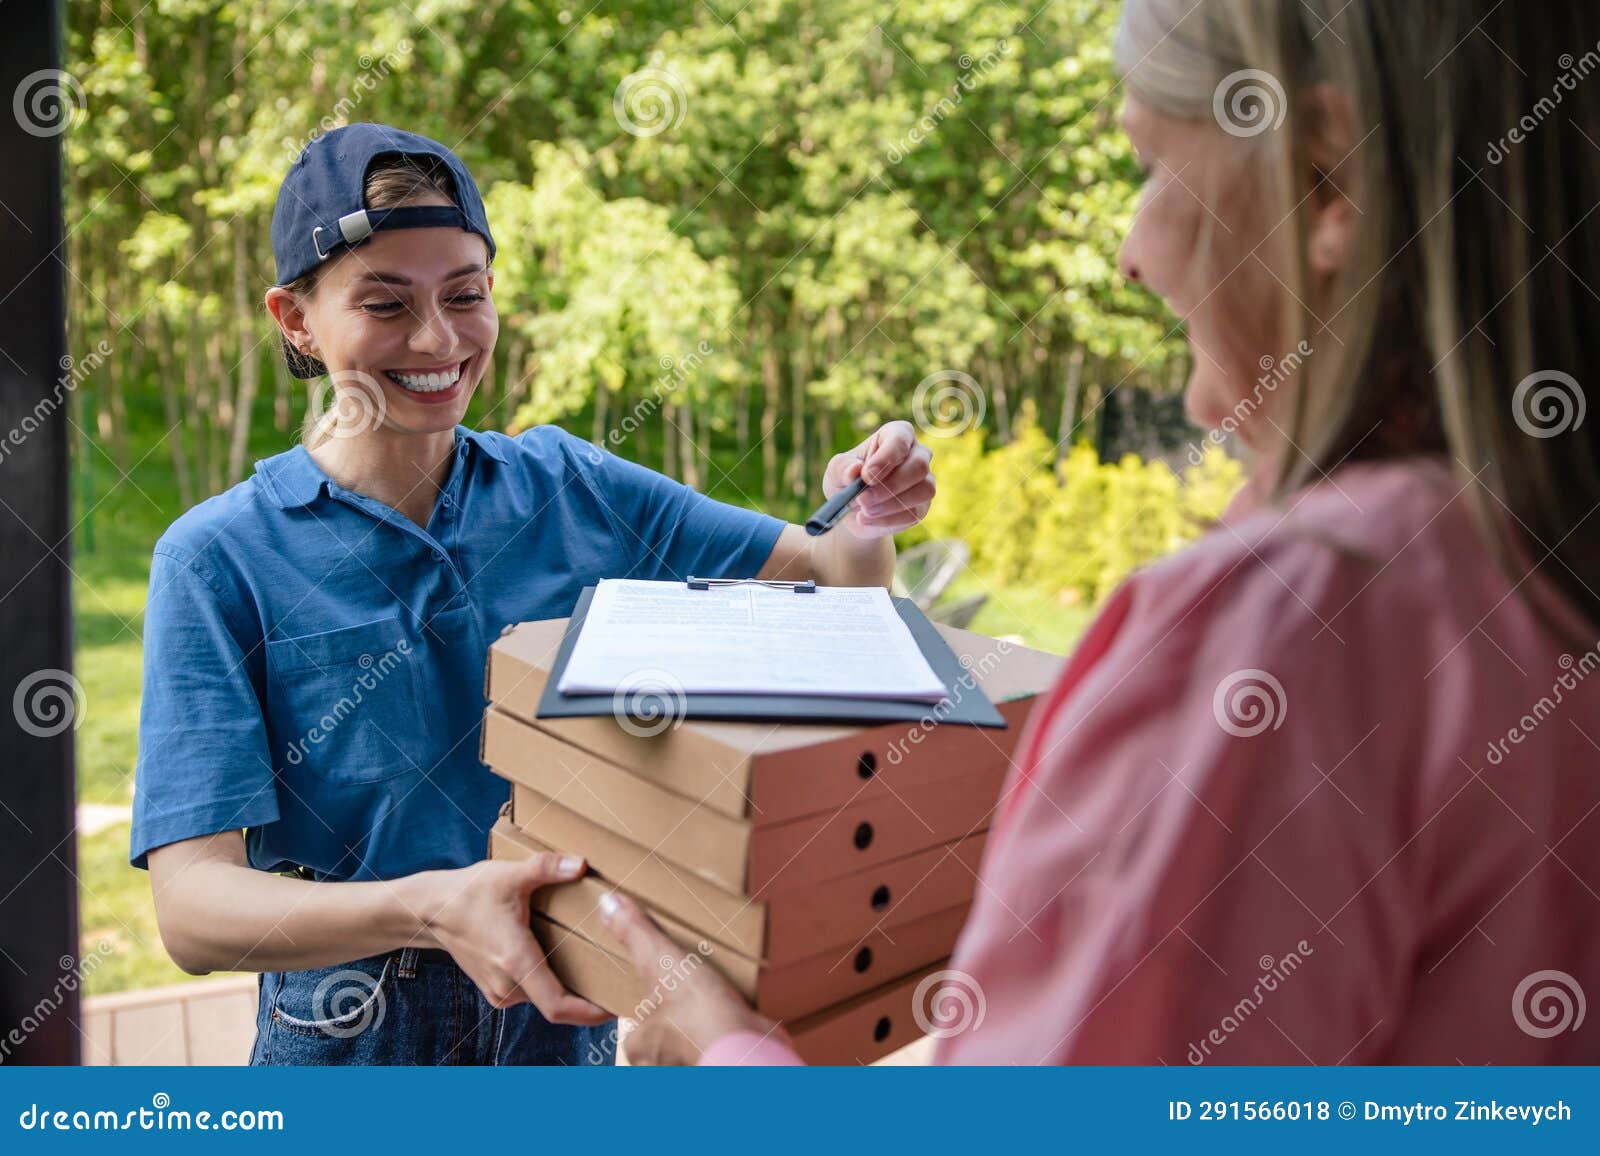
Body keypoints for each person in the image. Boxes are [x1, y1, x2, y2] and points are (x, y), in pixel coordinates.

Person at [597, 0, 1600, 1065]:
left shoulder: (1286, 621)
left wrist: (722, 1054)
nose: (1129, 254)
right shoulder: (1509, 548)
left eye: (1150, 170)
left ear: (1327, 183)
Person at [130, 123, 937, 1066]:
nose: (437, 339)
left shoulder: (572, 485)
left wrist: (868, 521)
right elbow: (194, 911)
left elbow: (833, 579)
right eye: (386, 304)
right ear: (296, 320)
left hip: (564, 1020)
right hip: (350, 1033)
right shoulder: (216, 558)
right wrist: (432, 908)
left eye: (465, 296)